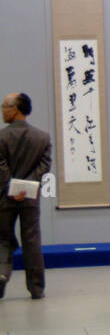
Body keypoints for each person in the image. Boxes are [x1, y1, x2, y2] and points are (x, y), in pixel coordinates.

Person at [0, 93, 52, 300]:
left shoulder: (1, 137)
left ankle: (2, 273)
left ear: (16, 109)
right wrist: (26, 186)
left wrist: (11, 186)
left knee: (2, 239)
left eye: (4, 106)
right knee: (32, 239)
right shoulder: (42, 137)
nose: (2, 110)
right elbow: (44, 165)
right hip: (30, 198)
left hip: (4, 197)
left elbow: (0, 165)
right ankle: (36, 288)